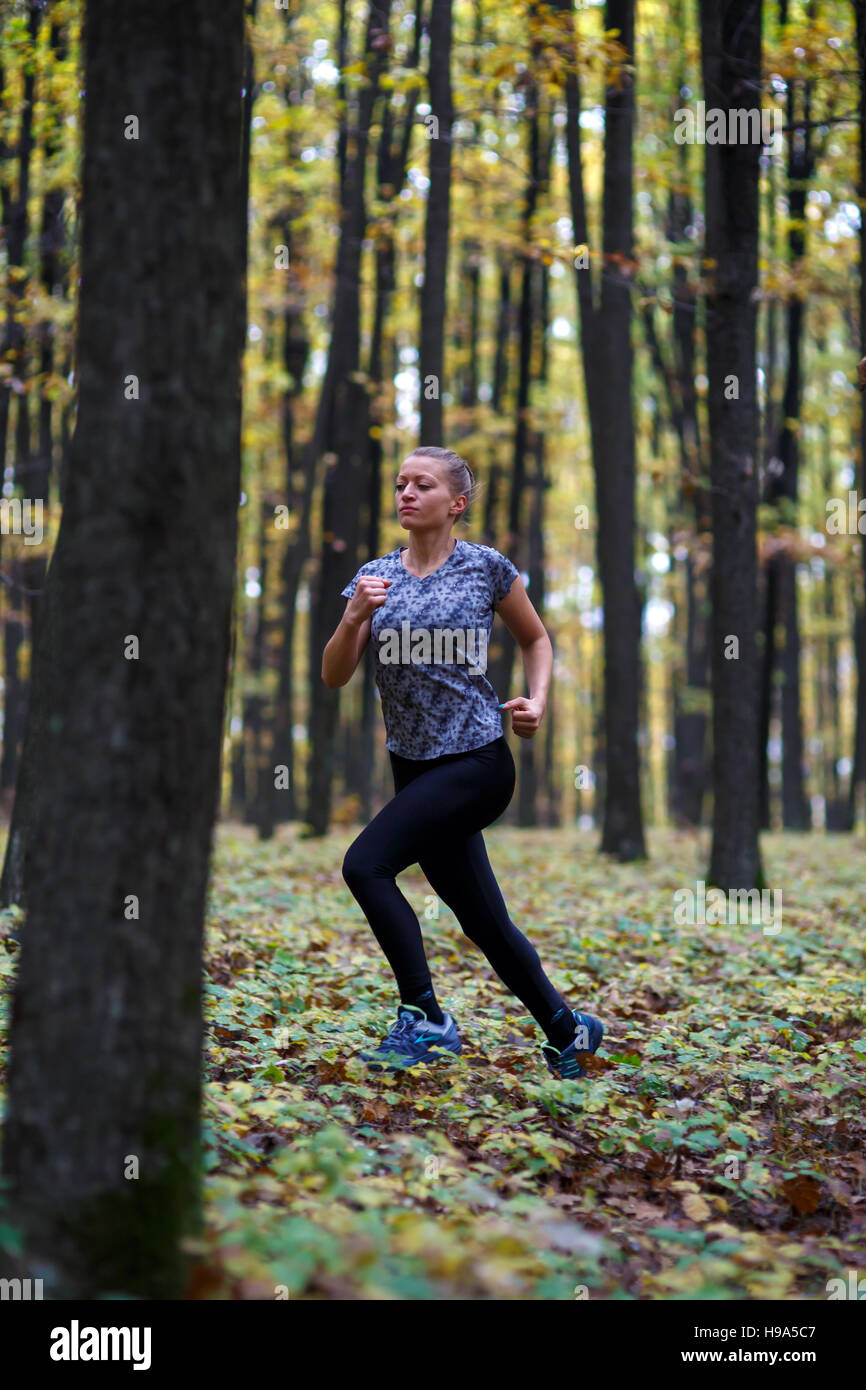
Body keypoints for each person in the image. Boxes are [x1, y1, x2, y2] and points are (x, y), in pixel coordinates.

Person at [321, 445, 604, 1081]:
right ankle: (568, 1028)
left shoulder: (486, 569)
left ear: (456, 504)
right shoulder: (374, 578)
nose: (406, 494)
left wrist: (537, 700)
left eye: (422, 485)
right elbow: (334, 676)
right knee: (482, 919)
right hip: (413, 767)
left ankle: (425, 1018)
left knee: (365, 865)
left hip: (477, 762)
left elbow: (535, 637)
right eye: (400, 484)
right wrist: (352, 616)